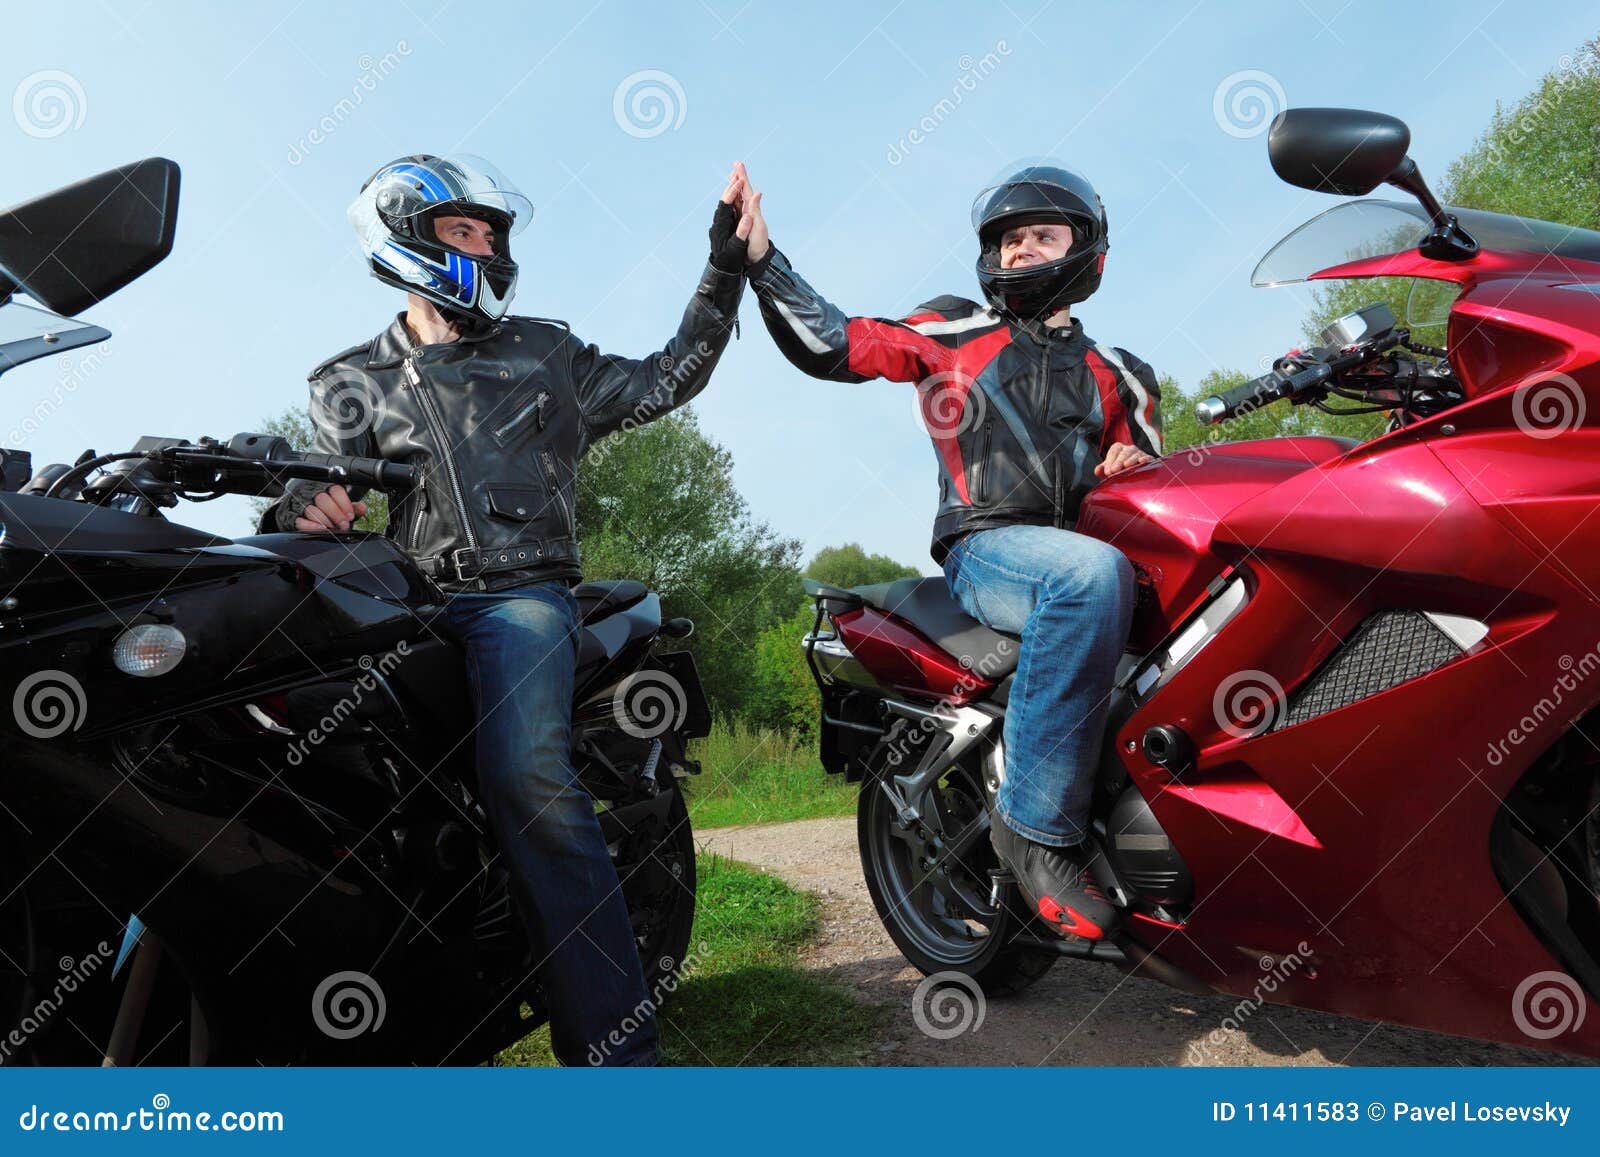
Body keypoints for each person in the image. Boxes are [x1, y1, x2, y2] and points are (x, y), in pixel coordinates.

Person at [261, 153, 756, 1062]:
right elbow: (318, 495)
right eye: (464, 230)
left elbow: (668, 376)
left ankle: (619, 1059)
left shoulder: (543, 351)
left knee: (528, 779)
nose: (486, 245)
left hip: (520, 597)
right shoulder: (350, 377)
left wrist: (723, 266)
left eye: (492, 232)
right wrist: (301, 507)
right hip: (404, 604)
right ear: (405, 237)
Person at [735, 161, 1161, 940]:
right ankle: (1034, 830)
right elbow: (838, 341)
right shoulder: (959, 329)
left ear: (1086, 248)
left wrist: (1134, 464)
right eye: (1009, 240)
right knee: (1089, 572)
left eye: (1042, 235)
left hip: (1083, 557)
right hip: (989, 548)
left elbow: (1146, 478)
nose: (1023, 249)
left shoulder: (1124, 373)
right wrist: (764, 259)